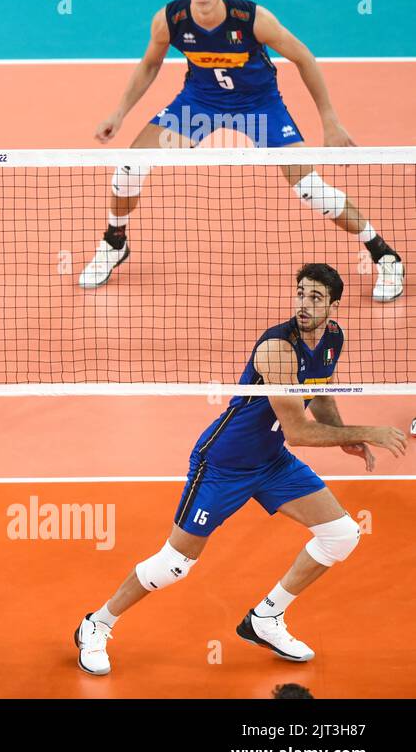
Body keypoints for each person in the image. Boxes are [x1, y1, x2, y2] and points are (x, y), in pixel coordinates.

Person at [74, 264, 407, 675]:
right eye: (301, 293)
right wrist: (370, 430)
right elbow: (299, 431)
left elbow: (320, 390)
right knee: (175, 564)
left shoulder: (332, 338)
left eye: (315, 297)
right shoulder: (277, 349)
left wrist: (341, 434)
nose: (304, 304)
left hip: (271, 461)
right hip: (224, 464)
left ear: (333, 306)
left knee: (341, 534)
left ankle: (265, 619)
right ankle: (97, 623)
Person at [80, 0, 403, 302]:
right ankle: (115, 242)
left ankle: (384, 254)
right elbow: (149, 65)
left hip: (258, 107)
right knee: (130, 167)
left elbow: (303, 57)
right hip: (201, 104)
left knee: (310, 189)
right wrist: (119, 113)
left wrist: (330, 120)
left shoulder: (252, 18)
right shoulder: (169, 19)